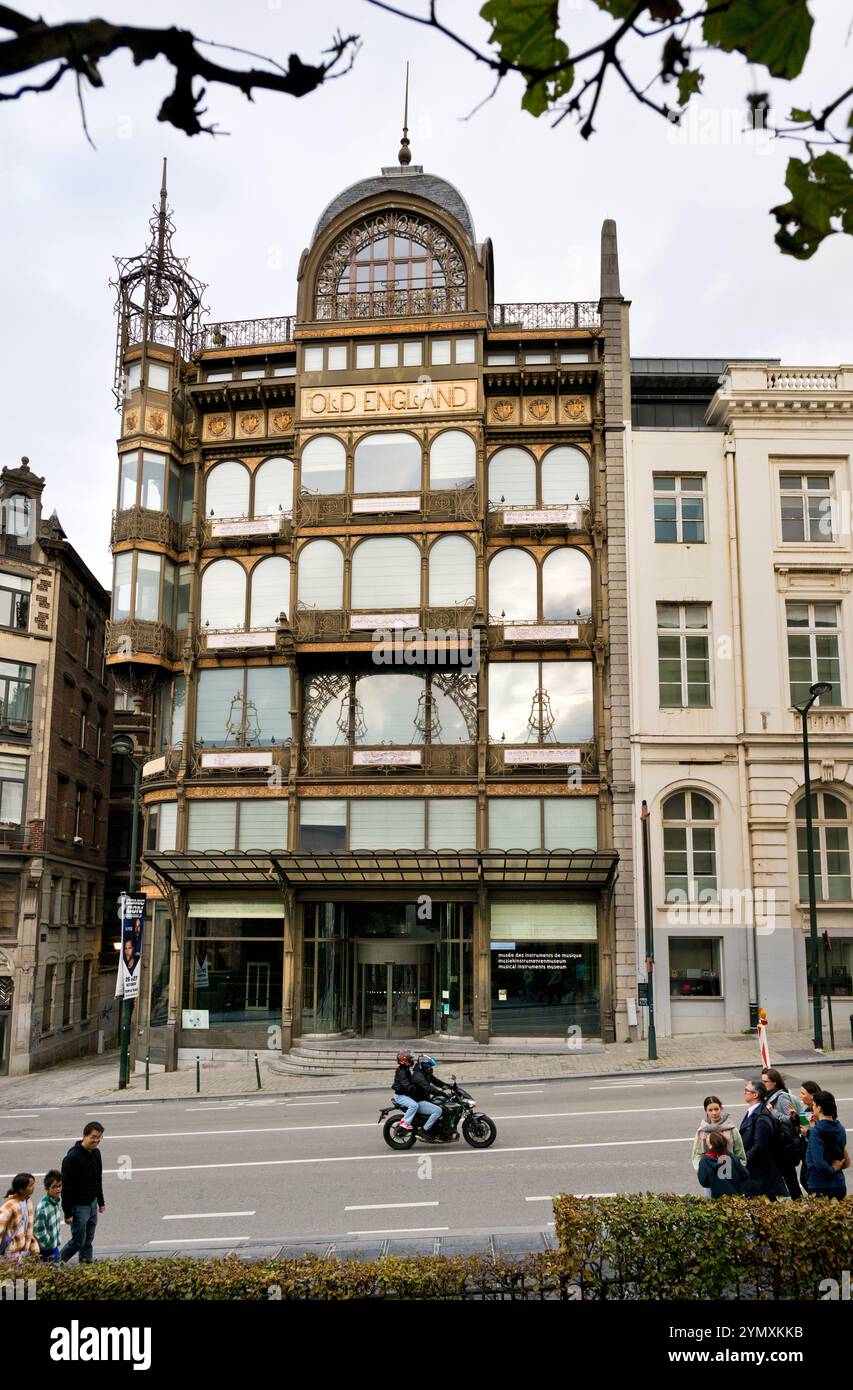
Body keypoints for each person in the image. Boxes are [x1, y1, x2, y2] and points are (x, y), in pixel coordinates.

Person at [60, 1120, 105, 1264]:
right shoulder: (72, 1158)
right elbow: (66, 1187)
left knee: (88, 1241)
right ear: (84, 1136)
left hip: (92, 1204)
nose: (96, 1140)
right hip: (78, 1207)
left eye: (99, 1137)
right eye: (93, 1137)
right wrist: (68, 1212)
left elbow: (98, 1179)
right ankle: (54, 1264)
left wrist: (101, 1202)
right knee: (78, 1241)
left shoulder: (96, 1154)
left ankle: (86, 1267)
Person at [761, 1067, 805, 1199]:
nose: (762, 1084)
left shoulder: (781, 1098)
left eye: (765, 1082)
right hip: (776, 1145)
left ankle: (800, 1207)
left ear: (774, 1082)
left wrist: (772, 1112)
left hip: (784, 1147)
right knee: (780, 1180)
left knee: (790, 1181)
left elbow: (791, 1120)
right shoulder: (768, 1096)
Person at [738, 1080, 787, 1198]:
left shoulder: (761, 1118)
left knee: (763, 1206)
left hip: (760, 1173)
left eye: (746, 1090)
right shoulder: (754, 1112)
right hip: (756, 1172)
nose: (744, 1092)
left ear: (755, 1095)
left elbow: (759, 1146)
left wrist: (744, 1161)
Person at [691, 1095, 747, 1194]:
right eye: (710, 1110)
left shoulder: (731, 1129)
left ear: (721, 1108)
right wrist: (701, 1170)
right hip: (711, 1176)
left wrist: (737, 1169)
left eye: (716, 1109)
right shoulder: (702, 1131)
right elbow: (696, 1154)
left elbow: (740, 1153)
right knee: (712, 1205)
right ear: (706, 1111)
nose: (714, 1113)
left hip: (730, 1176)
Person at [804, 1091, 847, 1200]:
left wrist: (832, 1169)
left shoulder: (817, 1132)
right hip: (839, 1183)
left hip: (820, 1185)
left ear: (819, 1108)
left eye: (813, 1105)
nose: (812, 1108)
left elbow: (819, 1162)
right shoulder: (840, 1128)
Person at [697, 1130, 751, 1198]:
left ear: (710, 1145)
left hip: (717, 1198)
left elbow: (704, 1182)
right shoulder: (732, 1157)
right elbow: (745, 1174)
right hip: (735, 1197)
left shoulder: (705, 1161)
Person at [0, 1173, 39, 1264]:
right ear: (21, 1189)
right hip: (12, 1252)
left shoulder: (28, 1201)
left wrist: (32, 1246)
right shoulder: (10, 1205)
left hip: (24, 1250)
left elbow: (27, 1228)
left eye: (33, 1184)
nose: (33, 1187)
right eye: (30, 1185)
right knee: (15, 1277)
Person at [408, 1055, 447, 1142]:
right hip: (418, 1101)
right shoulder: (418, 1076)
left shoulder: (425, 1073)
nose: (430, 1068)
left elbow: (436, 1081)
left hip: (423, 1098)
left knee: (442, 1104)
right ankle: (424, 1131)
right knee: (438, 1110)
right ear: (423, 1065)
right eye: (429, 1066)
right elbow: (428, 1088)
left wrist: (449, 1086)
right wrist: (441, 1093)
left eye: (431, 1066)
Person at [34, 1170, 63, 1263]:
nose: (58, 1189)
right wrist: (49, 1244)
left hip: (54, 1245)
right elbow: (39, 1231)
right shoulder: (43, 1207)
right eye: (54, 1187)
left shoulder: (55, 1201)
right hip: (47, 1249)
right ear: (47, 1188)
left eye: (59, 1186)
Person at [392, 1050, 420, 1130]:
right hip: (400, 1096)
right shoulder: (402, 1071)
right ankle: (404, 1122)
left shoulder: (405, 1069)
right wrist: (416, 1090)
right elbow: (406, 1085)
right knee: (414, 1106)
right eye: (410, 1059)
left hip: (404, 1094)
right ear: (404, 1060)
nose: (412, 1061)